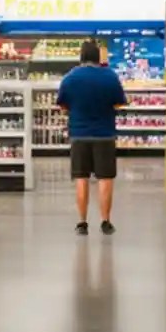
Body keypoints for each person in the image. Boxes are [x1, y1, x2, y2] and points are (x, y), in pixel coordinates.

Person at [57, 40, 127, 235]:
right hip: (104, 134)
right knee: (105, 179)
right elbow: (120, 103)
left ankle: (82, 223)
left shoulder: (70, 78)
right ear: (98, 57)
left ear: (81, 57)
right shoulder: (110, 77)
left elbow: (62, 104)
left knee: (81, 178)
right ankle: (105, 221)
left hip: (79, 134)